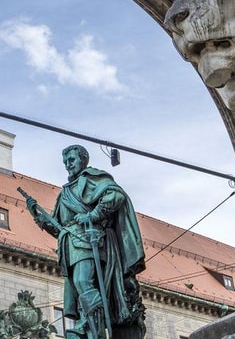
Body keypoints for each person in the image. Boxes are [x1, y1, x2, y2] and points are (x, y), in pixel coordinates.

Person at [25, 145, 146, 339]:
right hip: (71, 246)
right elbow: (59, 228)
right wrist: (37, 216)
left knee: (84, 282)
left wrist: (93, 215)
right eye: (65, 162)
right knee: (81, 289)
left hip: (91, 241)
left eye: (71, 160)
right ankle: (86, 323)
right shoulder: (65, 193)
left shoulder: (92, 178)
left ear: (83, 159)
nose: (67, 165)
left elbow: (116, 196)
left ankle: (93, 330)